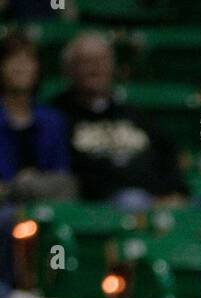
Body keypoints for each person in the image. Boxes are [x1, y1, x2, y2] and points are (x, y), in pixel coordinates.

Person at [52, 32, 186, 207]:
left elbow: (167, 156)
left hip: (158, 199)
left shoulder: (135, 114)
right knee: (132, 200)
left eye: (102, 61)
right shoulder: (57, 117)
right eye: (86, 62)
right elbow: (76, 177)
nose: (95, 68)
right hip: (105, 206)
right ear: (68, 70)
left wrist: (174, 193)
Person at [0, 32, 68, 192]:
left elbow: (62, 175)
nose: (21, 66)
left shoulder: (54, 120)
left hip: (42, 202)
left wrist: (33, 183)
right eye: (13, 59)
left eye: (27, 59)